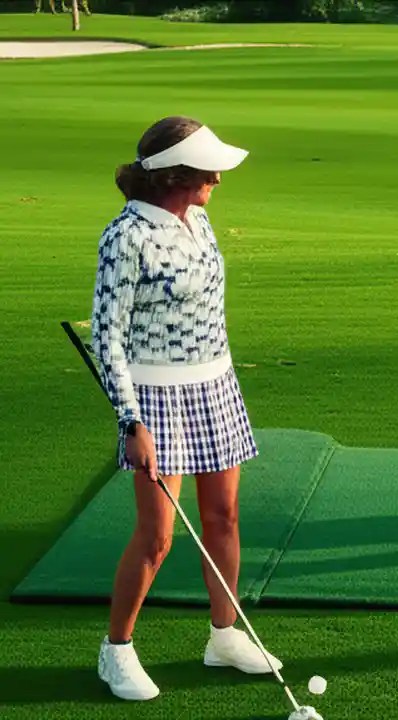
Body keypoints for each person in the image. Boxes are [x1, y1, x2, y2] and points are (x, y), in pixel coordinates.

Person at [92, 116, 280, 701]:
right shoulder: (125, 237)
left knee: (224, 518)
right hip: (156, 398)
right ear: (174, 174)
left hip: (214, 385)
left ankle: (223, 636)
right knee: (157, 537)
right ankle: (116, 650)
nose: (217, 179)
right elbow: (107, 336)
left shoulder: (198, 219)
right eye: (207, 170)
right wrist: (131, 420)